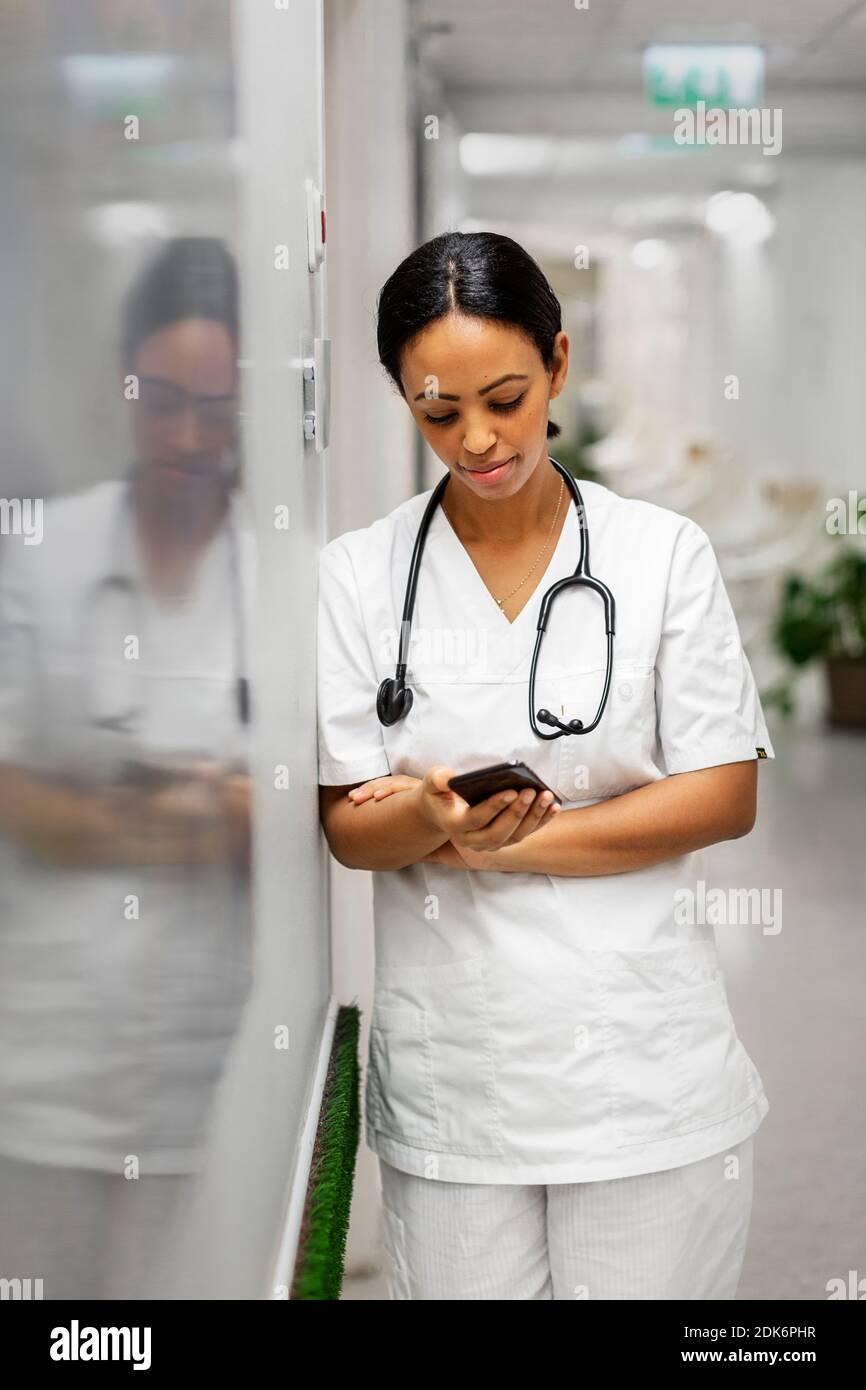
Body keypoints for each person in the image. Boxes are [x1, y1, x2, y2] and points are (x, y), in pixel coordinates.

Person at [317, 230, 776, 1301]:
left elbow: (722, 791)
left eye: (505, 398)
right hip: (458, 1088)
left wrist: (479, 843)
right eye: (437, 412)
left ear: (557, 366)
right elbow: (347, 824)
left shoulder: (660, 555)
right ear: (404, 399)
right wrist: (433, 810)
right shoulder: (356, 575)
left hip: (641, 1075)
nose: (476, 439)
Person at [0, 236, 254, 1298]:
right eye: (162, 400)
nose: (189, 435)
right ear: (124, 386)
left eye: (215, 404)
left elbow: (306, 807)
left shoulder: (282, 574)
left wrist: (110, 806)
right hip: (46, 1040)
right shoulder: (42, 553)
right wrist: (179, 815)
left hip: (216, 1043)